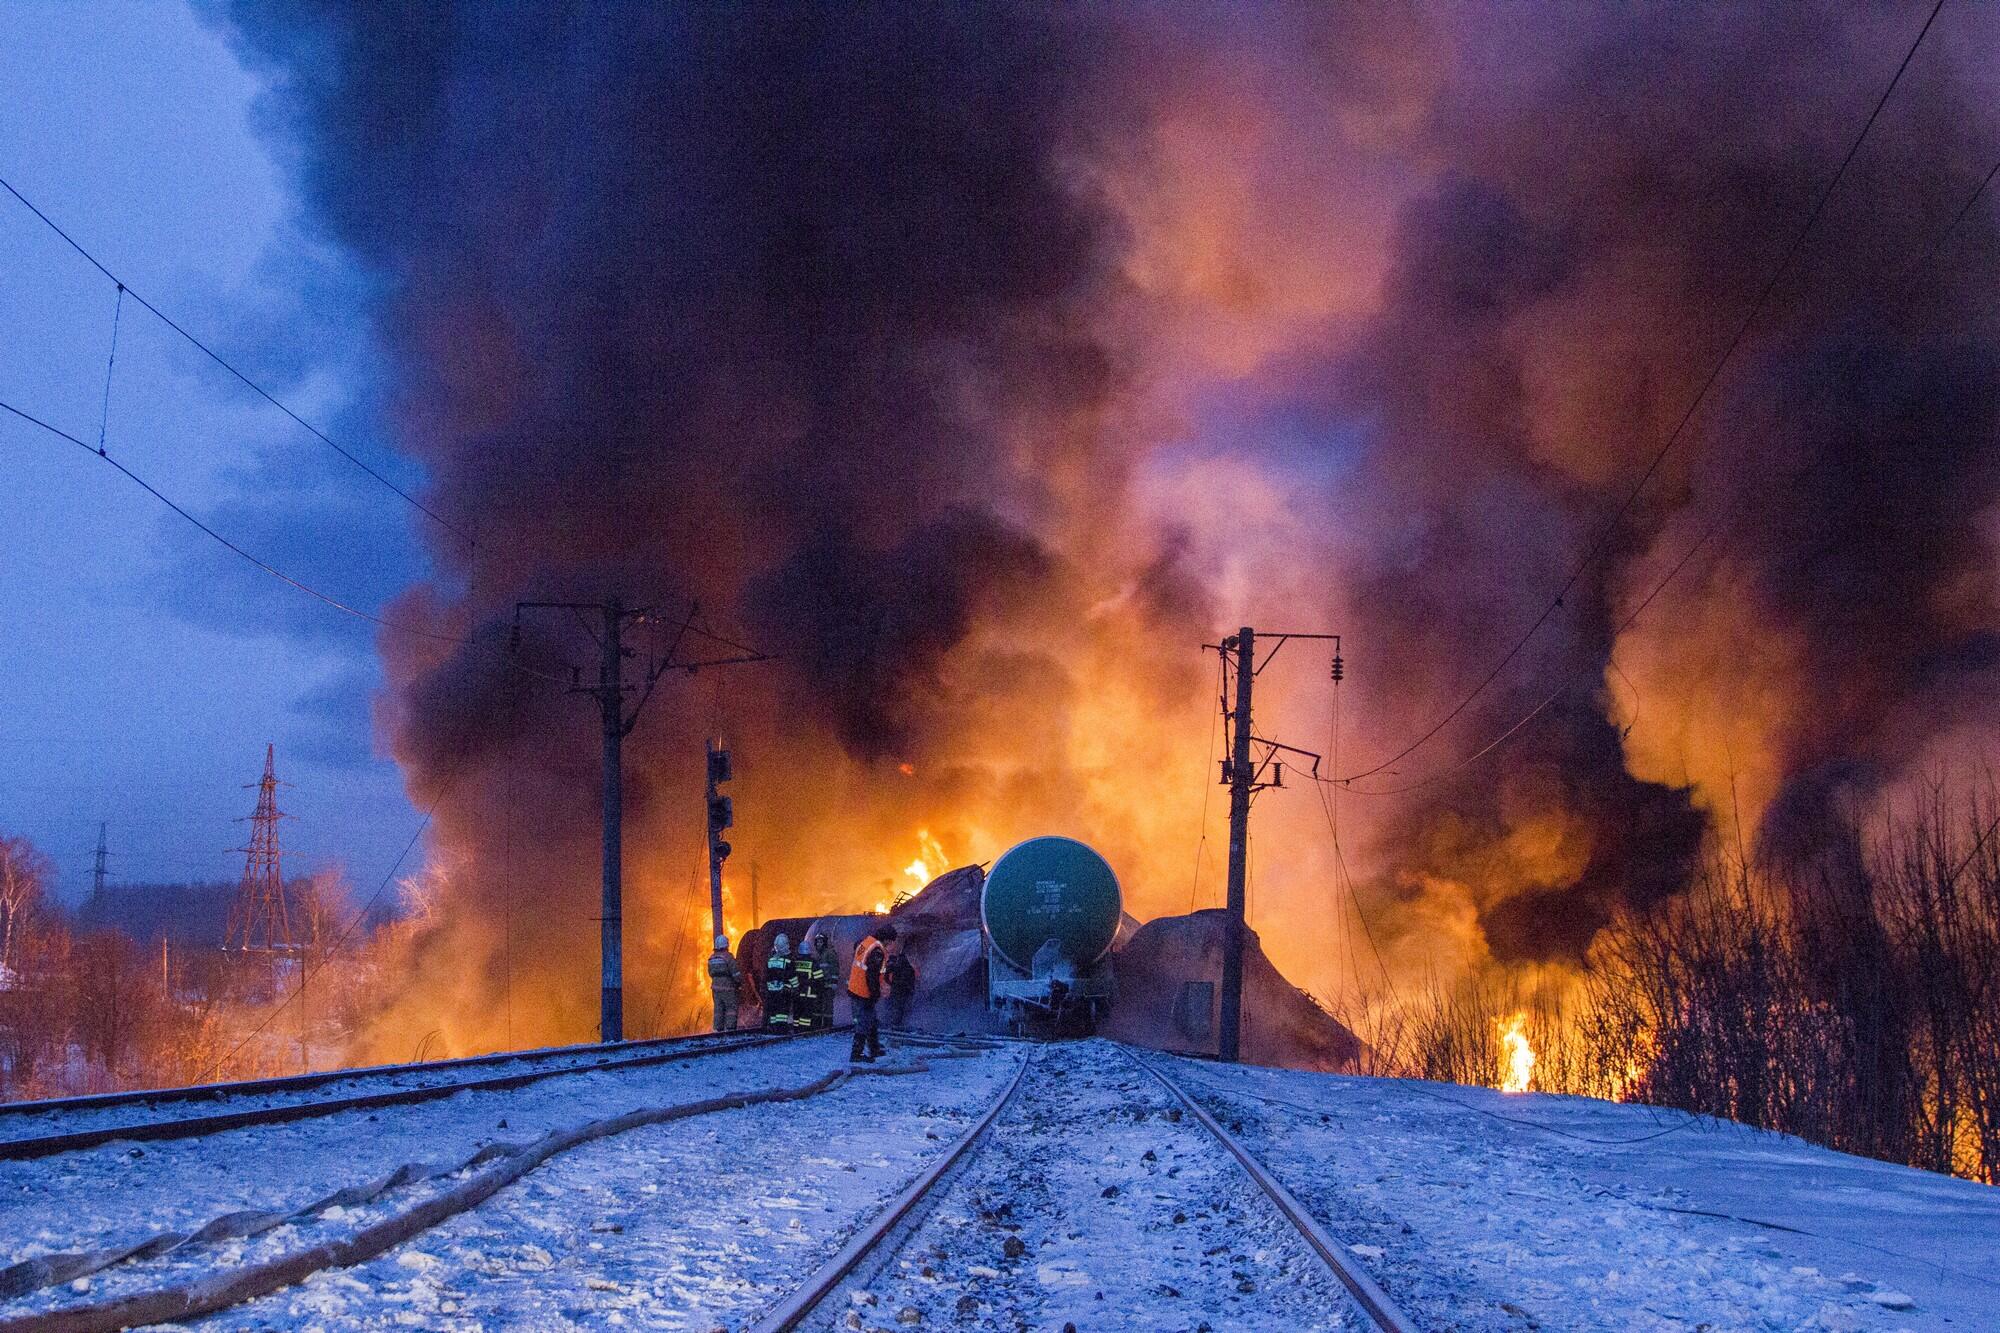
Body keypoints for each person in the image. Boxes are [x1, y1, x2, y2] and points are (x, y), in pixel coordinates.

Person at [846, 923, 897, 1063]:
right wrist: (874, 995)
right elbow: (872, 975)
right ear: (886, 939)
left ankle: (874, 1048)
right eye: (891, 941)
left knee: (872, 1020)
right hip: (864, 992)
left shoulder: (866, 942)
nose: (891, 944)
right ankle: (856, 1054)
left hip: (856, 987)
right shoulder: (877, 951)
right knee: (864, 1022)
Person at [707, 934, 743, 1032]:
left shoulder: (711, 958)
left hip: (715, 989)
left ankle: (718, 1030)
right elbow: (735, 973)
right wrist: (740, 983)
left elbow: (710, 973)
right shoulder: (728, 957)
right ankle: (730, 1029)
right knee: (730, 1009)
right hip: (728, 989)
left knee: (718, 1009)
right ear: (726, 945)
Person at [763, 932, 796, 1033]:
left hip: (771, 991)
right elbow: (792, 977)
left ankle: (773, 1029)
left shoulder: (770, 961)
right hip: (783, 991)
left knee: (773, 1012)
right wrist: (796, 987)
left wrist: (767, 989)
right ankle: (781, 1029)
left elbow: (766, 977)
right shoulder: (788, 961)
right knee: (782, 1011)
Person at [791, 933, 822, 1033]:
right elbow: (819, 978)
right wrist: (819, 990)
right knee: (806, 1013)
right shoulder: (813, 962)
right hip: (809, 993)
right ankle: (804, 1030)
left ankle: (796, 1029)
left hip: (796, 992)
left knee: (797, 1012)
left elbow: (791, 976)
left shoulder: (795, 962)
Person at [883, 942, 918, 1031]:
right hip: (905, 991)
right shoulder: (909, 968)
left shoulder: (895, 967)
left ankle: (894, 1024)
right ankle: (900, 1024)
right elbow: (912, 980)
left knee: (896, 1008)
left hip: (897, 990)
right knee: (902, 1008)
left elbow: (886, 976)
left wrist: (892, 984)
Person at [810, 932, 839, 1031]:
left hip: (829, 984)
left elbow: (835, 968)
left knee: (827, 1006)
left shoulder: (830, 953)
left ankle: (827, 1025)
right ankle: (817, 1024)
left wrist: (834, 982)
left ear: (825, 942)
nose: (819, 944)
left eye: (821, 942)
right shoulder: (817, 955)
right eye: (817, 942)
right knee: (817, 1004)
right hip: (819, 984)